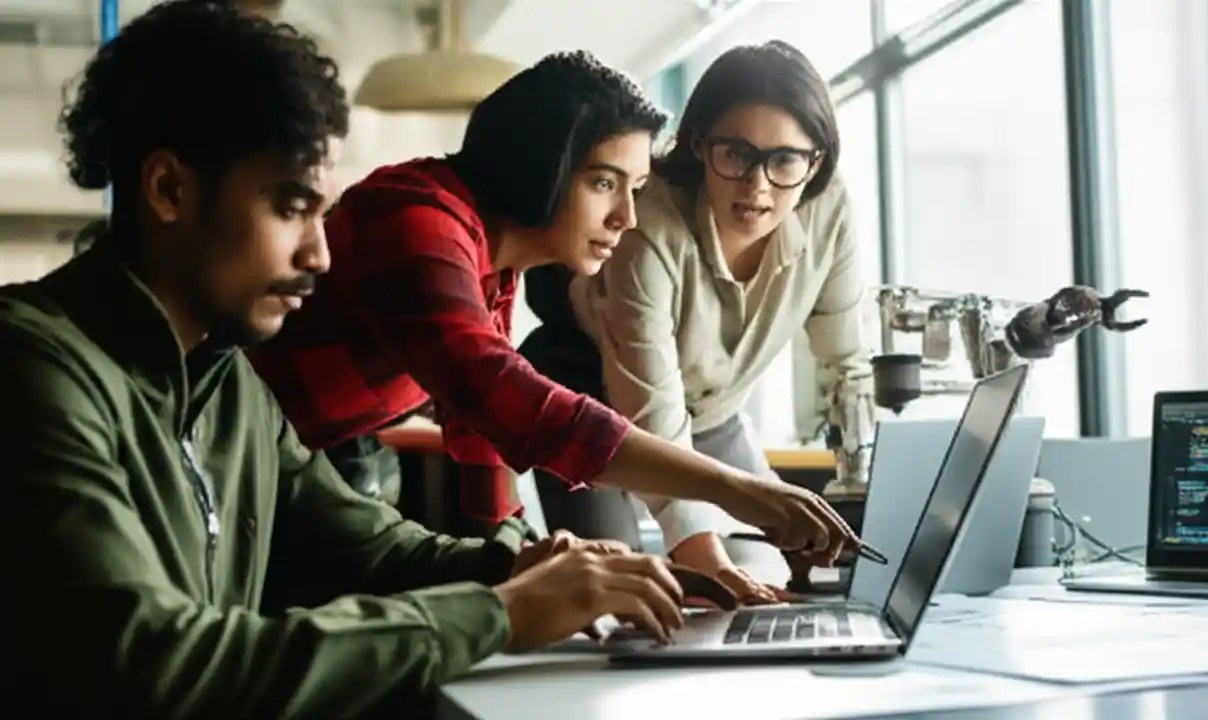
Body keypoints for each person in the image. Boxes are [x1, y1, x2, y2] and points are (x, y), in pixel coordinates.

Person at [0, 3, 704, 715]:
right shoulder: (32, 370)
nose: (320, 253)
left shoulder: (229, 384)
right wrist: (505, 610)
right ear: (169, 190)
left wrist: (533, 568)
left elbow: (370, 548)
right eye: (291, 208)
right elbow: (154, 666)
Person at [247, 46, 859, 558]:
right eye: (604, 183)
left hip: (297, 454)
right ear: (542, 166)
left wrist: (522, 553)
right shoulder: (418, 220)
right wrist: (736, 489)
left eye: (636, 189)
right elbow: (506, 397)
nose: (625, 217)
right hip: (234, 453)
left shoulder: (492, 266)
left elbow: (479, 433)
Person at [520, 41, 866, 602]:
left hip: (713, 413)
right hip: (595, 395)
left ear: (817, 160)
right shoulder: (647, 225)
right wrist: (710, 566)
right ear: (701, 143)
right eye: (736, 154)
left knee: (768, 571)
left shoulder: (830, 208)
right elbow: (652, 412)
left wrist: (865, 476)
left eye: (785, 160)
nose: (757, 185)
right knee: (616, 589)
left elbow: (845, 359)